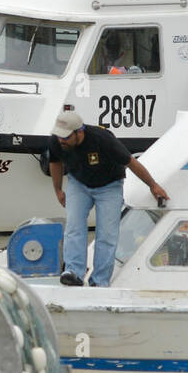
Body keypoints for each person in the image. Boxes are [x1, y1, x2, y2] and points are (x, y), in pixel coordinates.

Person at [49, 109, 168, 287]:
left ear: (79, 132)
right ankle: (74, 272)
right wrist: (58, 189)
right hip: (78, 183)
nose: (61, 140)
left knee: (107, 234)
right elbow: (55, 162)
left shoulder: (102, 139)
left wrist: (153, 185)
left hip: (109, 186)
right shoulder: (57, 140)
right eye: (59, 137)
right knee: (74, 226)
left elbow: (131, 162)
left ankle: (100, 280)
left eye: (66, 137)